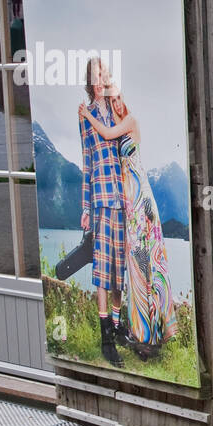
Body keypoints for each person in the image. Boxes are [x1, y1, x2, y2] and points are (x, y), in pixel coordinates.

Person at [78, 92, 177, 353]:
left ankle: (154, 333)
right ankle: (144, 334)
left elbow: (108, 134)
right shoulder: (119, 127)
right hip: (129, 203)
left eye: (119, 97)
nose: (117, 103)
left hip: (141, 199)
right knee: (137, 266)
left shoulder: (130, 121)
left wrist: (87, 115)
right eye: (112, 101)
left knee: (148, 263)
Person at [79, 58, 126, 368]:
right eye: (93, 76)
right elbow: (87, 162)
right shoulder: (87, 114)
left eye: (102, 75)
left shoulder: (117, 108)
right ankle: (106, 338)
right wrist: (85, 206)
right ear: (89, 80)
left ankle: (120, 328)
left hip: (123, 197)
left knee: (120, 270)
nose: (98, 81)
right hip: (101, 197)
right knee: (103, 273)